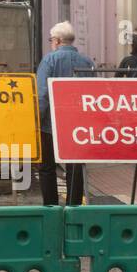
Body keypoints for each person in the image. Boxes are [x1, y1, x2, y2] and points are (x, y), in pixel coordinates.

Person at [35, 21, 94, 206]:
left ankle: (51, 206)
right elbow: (93, 93)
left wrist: (37, 119)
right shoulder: (87, 62)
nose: (51, 42)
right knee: (75, 167)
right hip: (78, 124)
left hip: (50, 124)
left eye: (52, 39)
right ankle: (73, 205)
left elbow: (42, 94)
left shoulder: (49, 60)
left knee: (47, 167)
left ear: (58, 41)